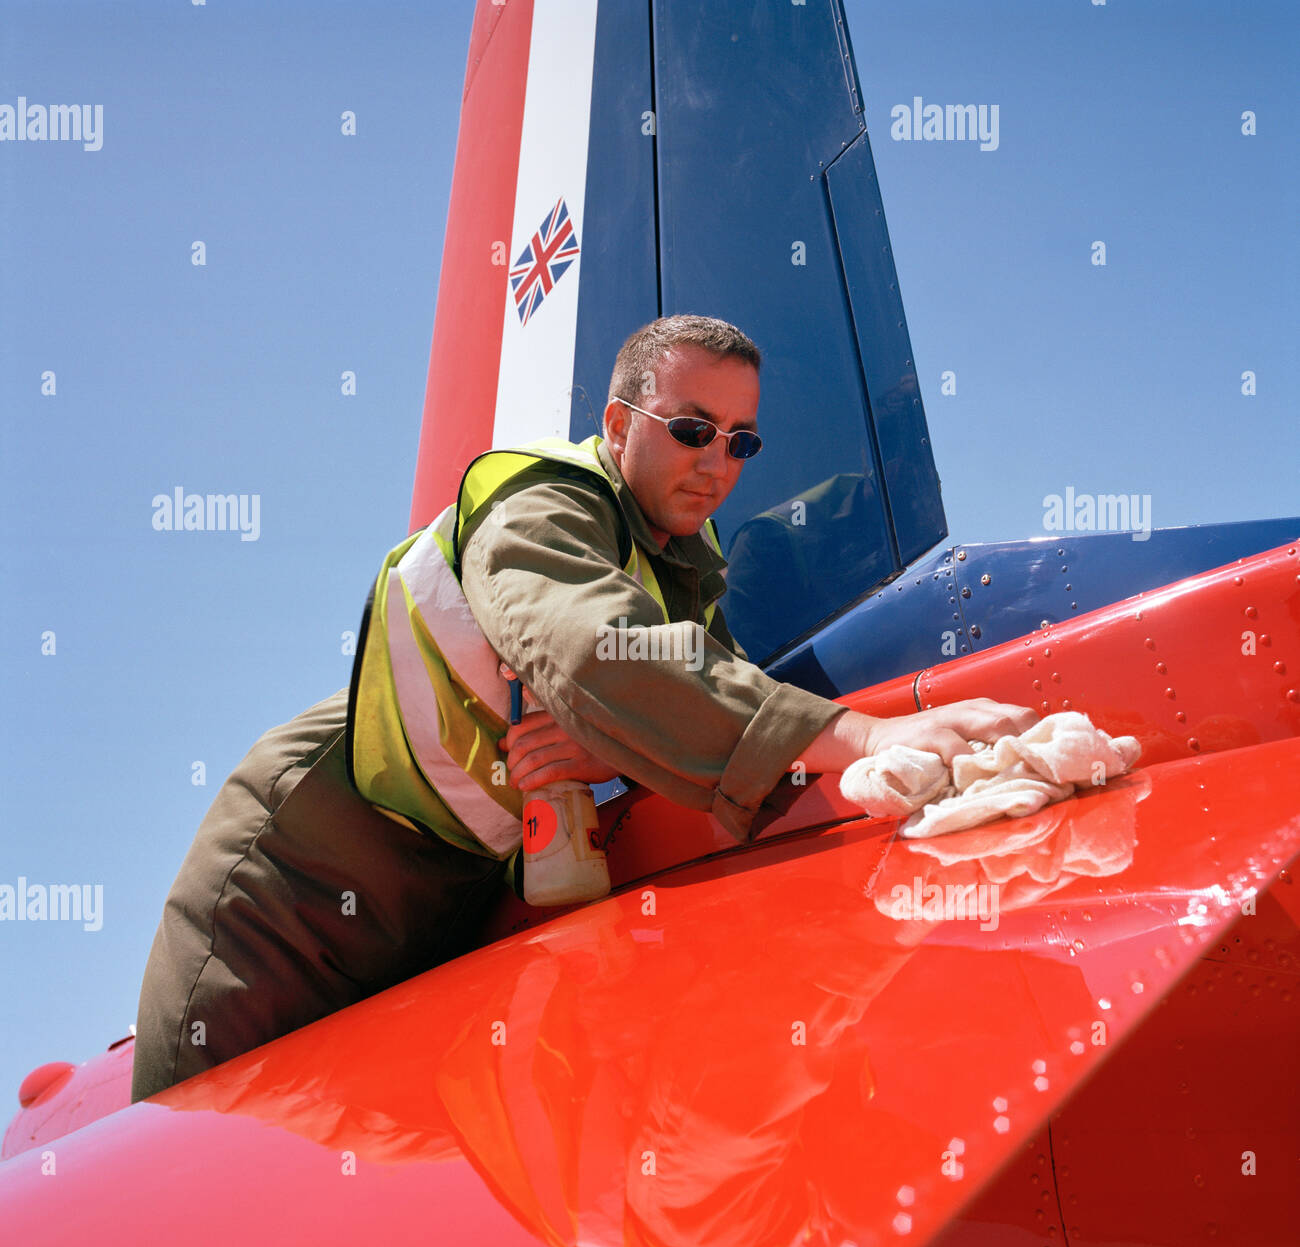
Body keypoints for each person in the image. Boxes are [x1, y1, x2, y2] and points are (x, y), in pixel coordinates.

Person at [130, 314, 1035, 1102]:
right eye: (691, 429)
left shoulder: (685, 570)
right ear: (617, 423)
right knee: (190, 1175)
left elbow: (683, 701)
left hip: (456, 901)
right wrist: (864, 734)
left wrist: (612, 752)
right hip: (297, 891)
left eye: (741, 441)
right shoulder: (540, 505)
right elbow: (599, 650)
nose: (718, 463)